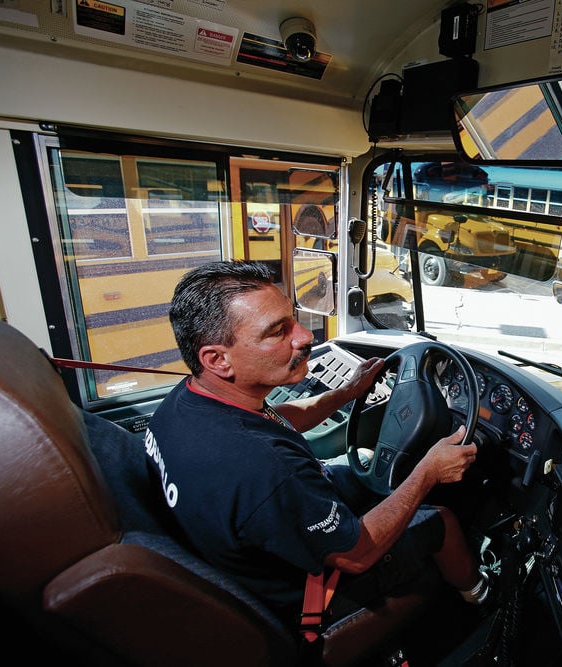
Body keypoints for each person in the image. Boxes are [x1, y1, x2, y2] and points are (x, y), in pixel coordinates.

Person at [144, 260, 490, 642]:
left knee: (362, 466)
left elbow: (278, 419)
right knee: (441, 520)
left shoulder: (185, 403)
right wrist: (427, 472)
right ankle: (479, 600)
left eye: (292, 320)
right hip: (308, 594)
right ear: (217, 359)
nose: (305, 335)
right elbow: (356, 555)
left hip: (263, 544)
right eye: (278, 331)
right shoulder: (265, 469)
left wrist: (346, 393)